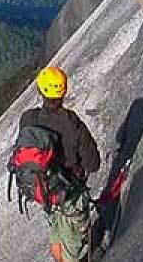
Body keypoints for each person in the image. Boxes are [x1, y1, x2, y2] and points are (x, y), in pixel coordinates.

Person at [20, 66, 100, 262]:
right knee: (74, 249)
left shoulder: (29, 119)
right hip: (69, 195)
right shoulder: (71, 123)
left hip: (43, 191)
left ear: (40, 91)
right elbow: (93, 163)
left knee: (57, 235)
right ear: (63, 92)